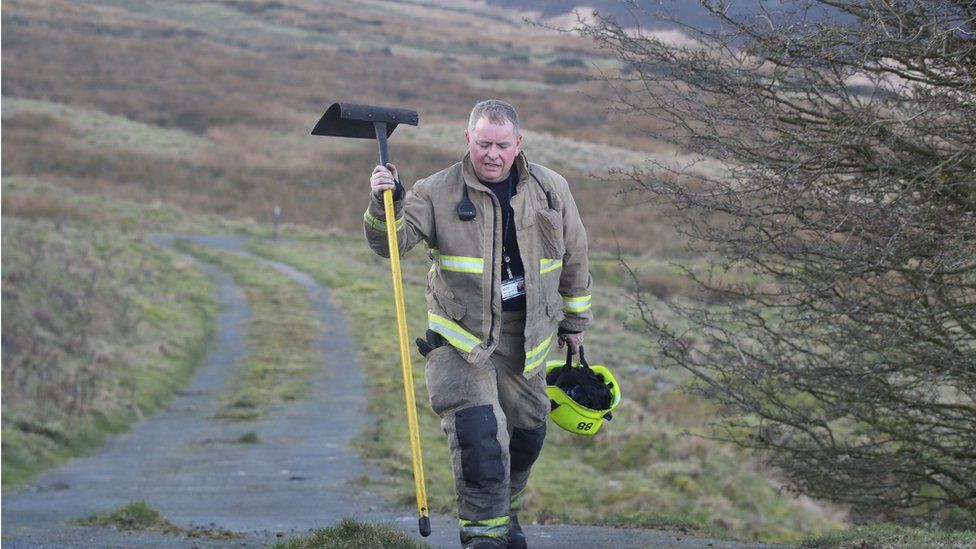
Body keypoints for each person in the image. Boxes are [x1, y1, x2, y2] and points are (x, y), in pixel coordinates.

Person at [364, 100, 592, 549]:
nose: (492, 153)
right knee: (480, 438)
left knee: (528, 433)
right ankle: (484, 539)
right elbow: (390, 245)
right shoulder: (435, 192)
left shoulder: (551, 189)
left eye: (502, 145)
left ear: (518, 144)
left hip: (528, 337)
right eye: (483, 143)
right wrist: (382, 201)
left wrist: (575, 320)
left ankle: (505, 515)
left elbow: (575, 254)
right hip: (460, 339)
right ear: (468, 140)